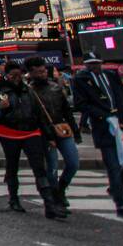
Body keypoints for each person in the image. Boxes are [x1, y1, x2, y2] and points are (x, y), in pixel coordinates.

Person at [0, 61, 68, 218]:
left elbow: (39, 113)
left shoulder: (28, 90)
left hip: (31, 131)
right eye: (13, 76)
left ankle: (49, 204)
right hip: (8, 132)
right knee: (12, 166)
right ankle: (14, 199)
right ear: (6, 75)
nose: (16, 79)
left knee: (39, 167)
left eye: (19, 75)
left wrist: (48, 136)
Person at [72, 53, 123, 220]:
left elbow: (122, 97)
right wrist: (103, 116)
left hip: (121, 124)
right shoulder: (81, 80)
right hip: (103, 125)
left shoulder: (110, 75)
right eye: (91, 64)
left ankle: (118, 188)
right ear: (86, 65)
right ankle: (121, 203)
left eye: (97, 63)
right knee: (113, 166)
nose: (94, 66)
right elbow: (81, 103)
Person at [27, 56, 81, 209]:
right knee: (51, 167)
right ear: (31, 73)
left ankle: (61, 188)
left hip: (62, 129)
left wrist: (75, 132)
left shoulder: (55, 87)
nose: (42, 74)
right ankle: (56, 196)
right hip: (44, 134)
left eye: (43, 71)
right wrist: (46, 136)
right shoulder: (29, 91)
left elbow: (67, 111)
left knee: (73, 163)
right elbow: (34, 117)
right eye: (38, 72)